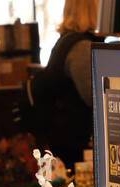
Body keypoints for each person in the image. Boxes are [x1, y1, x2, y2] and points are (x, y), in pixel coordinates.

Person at [27, 0, 103, 168]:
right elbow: (94, 97)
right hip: (76, 138)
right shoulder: (81, 47)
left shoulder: (65, 42)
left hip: (61, 135)